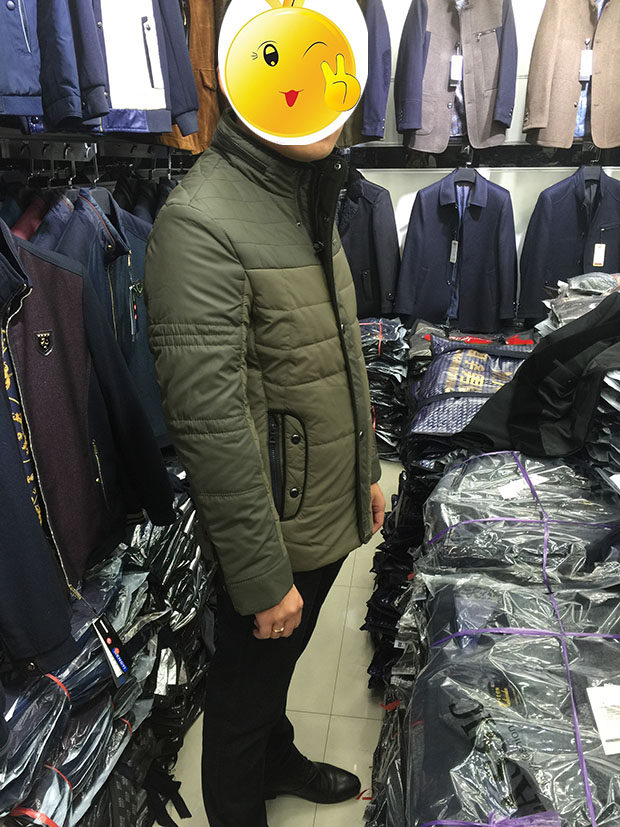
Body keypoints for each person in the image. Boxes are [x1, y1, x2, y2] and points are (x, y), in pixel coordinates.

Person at [144, 36, 385, 827]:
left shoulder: (304, 193)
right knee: (243, 700)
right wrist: (259, 575)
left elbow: (334, 351)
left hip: (318, 505)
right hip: (273, 530)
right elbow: (209, 420)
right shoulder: (200, 222)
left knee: (275, 674)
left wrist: (365, 468)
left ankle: (278, 758)